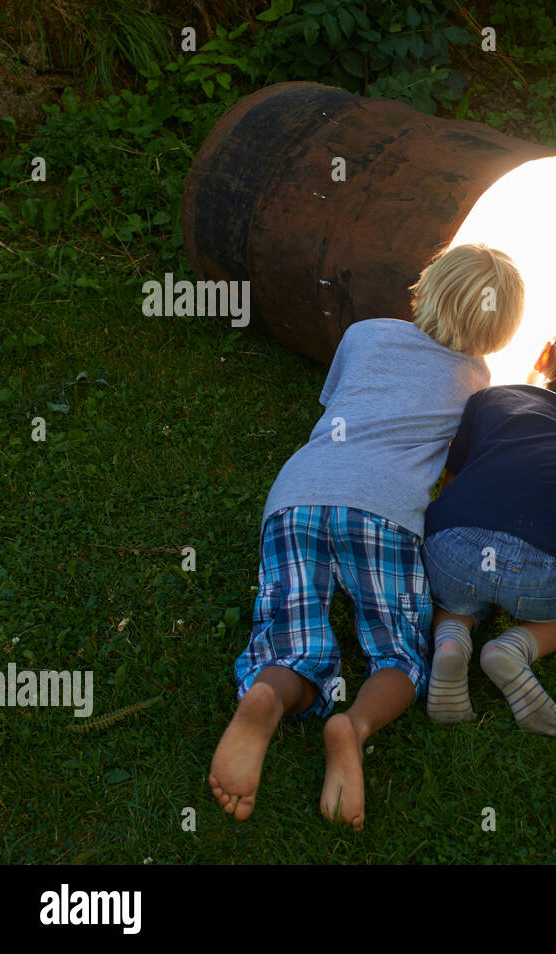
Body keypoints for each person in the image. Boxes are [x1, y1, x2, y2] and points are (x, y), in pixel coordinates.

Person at [208, 243, 524, 830]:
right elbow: (456, 469)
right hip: (384, 512)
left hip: (298, 494)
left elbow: (337, 402)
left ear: (426, 285)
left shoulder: (364, 333)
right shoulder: (477, 382)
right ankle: (351, 725)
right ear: (500, 330)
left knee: (290, 637)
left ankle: (269, 697)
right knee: (400, 653)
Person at [422, 319, 556, 736]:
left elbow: (450, 490)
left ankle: (451, 636)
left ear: (545, 356)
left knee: (460, 584)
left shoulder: (488, 400)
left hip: (453, 548)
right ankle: (514, 647)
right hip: (541, 575)